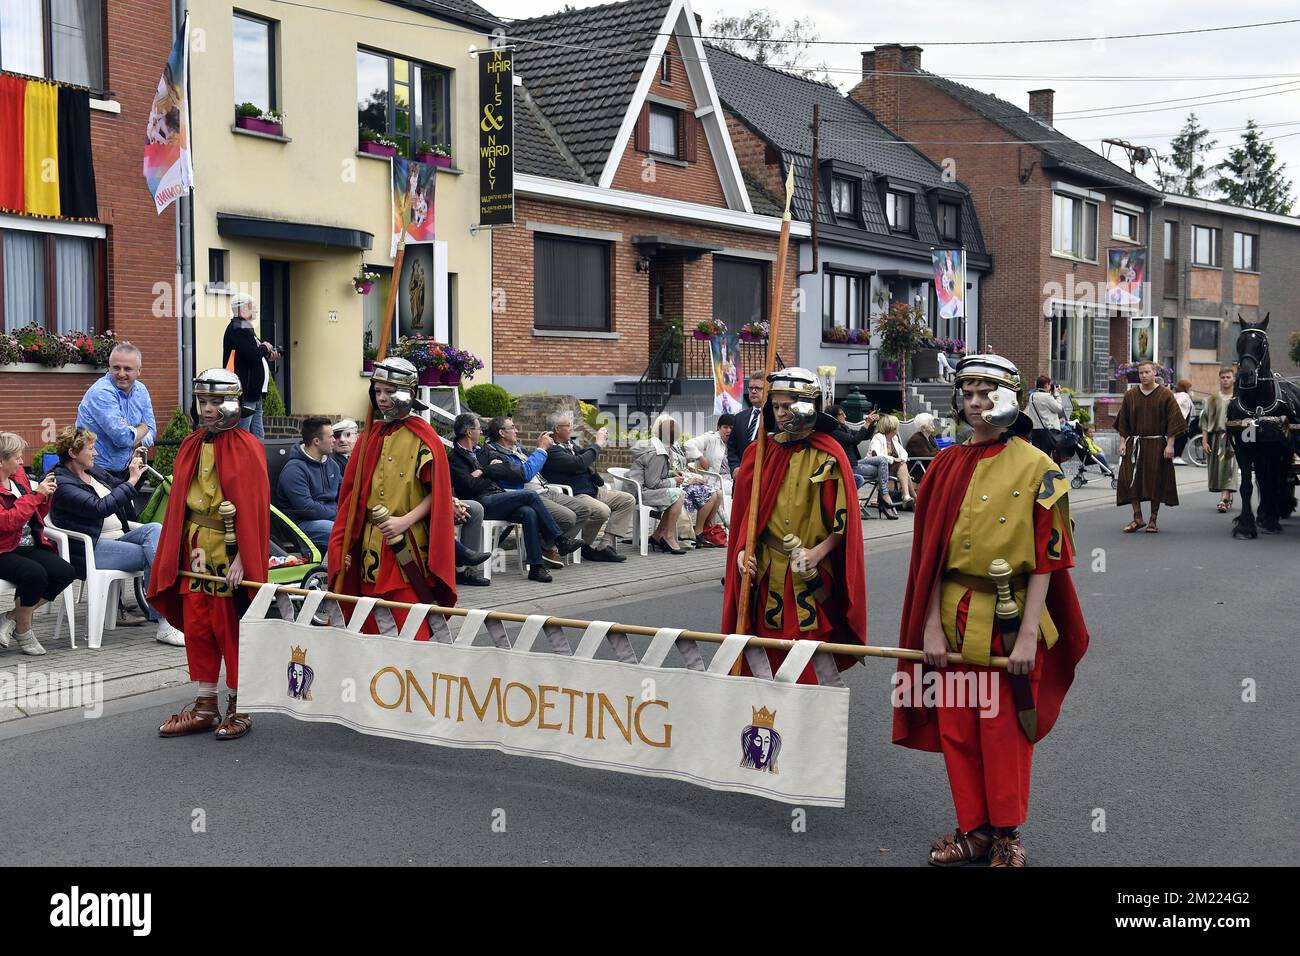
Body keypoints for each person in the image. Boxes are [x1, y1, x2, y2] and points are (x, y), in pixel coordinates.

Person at [893, 354, 1089, 867]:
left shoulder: (1040, 467)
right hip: (953, 612)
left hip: (1012, 615)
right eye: (969, 393)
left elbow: (1050, 559)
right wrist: (929, 625)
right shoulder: (943, 465)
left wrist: (1028, 636)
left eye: (986, 392)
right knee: (958, 724)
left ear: (1009, 397)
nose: (975, 404)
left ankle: (1006, 832)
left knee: (1002, 726)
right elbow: (928, 559)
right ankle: (972, 829)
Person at [723, 367, 866, 684]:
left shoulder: (828, 454)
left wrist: (818, 553)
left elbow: (843, 524)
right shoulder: (760, 453)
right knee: (764, 653)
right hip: (767, 572)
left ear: (809, 404)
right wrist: (742, 551)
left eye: (788, 405)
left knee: (809, 655)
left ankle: (811, 722)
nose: (781, 413)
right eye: (776, 406)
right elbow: (747, 517)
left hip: (809, 573)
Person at [148, 369, 269, 739]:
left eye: (216, 402)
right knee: (199, 626)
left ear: (233, 402)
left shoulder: (248, 446)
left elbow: (254, 509)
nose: (207, 409)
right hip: (194, 548)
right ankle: (205, 704)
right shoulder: (190, 444)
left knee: (228, 627)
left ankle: (240, 703)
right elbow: (180, 507)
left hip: (227, 549)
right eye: (203, 401)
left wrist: (244, 559)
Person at [329, 358, 457, 634]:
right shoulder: (368, 437)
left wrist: (404, 521)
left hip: (407, 547)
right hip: (369, 548)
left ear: (410, 393)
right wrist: (341, 547)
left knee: (410, 629)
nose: (382, 398)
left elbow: (438, 494)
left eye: (389, 391)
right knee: (371, 629)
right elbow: (351, 501)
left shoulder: (425, 437)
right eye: (377, 392)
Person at [49, 426, 181, 645]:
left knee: (155, 530)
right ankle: (167, 622)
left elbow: (124, 489)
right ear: (73, 453)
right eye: (90, 448)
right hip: (90, 548)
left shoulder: (92, 471)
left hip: (118, 539)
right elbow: (98, 508)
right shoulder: (62, 482)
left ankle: (168, 618)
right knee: (155, 553)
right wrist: (129, 483)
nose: (96, 453)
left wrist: (134, 473)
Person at [447, 412, 580, 583]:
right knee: (530, 495)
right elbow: (470, 486)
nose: (481, 432)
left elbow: (506, 469)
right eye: (478, 429)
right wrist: (491, 472)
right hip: (480, 502)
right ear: (468, 432)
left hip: (497, 496)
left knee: (528, 512)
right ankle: (559, 539)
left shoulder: (482, 451)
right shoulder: (454, 458)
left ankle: (536, 567)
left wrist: (484, 471)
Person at [0, 433, 77, 656]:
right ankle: (24, 630)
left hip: (26, 544)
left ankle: (10, 618)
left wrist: (45, 497)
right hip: (4, 549)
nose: (21, 461)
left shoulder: (18, 477)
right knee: (35, 574)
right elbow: (7, 522)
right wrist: (36, 496)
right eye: (16, 457)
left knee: (65, 572)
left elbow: (33, 515)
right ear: (2, 461)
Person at [478, 416, 591, 563]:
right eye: (512, 427)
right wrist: (541, 449)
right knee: (568, 517)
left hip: (545, 489)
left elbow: (536, 467)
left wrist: (539, 449)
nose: (516, 430)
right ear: (502, 433)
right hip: (529, 496)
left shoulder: (518, 448)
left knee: (584, 510)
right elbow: (525, 473)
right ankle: (547, 545)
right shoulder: (494, 454)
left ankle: (547, 545)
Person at [541, 412, 633, 563]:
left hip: (592, 490)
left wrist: (594, 450)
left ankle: (604, 546)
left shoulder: (569, 445)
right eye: (568, 425)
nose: (571, 429)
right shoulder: (552, 450)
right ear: (557, 429)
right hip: (575, 494)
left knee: (627, 500)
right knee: (602, 511)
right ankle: (583, 545)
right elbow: (578, 463)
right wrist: (597, 444)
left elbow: (584, 458)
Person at [629, 416, 724, 552]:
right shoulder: (658, 453)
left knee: (677, 494)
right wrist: (674, 481)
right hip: (641, 493)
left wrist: (671, 474)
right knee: (679, 494)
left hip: (640, 489)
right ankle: (668, 536)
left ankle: (657, 535)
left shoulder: (655, 444)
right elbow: (653, 484)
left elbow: (653, 475)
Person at [1115, 360, 1184, 534]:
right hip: (1135, 444)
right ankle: (1137, 517)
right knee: (1131, 479)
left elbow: (1174, 422)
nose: (1144, 376)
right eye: (1141, 373)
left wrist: (1170, 445)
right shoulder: (1130, 395)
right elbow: (1123, 421)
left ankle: (1153, 519)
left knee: (1155, 480)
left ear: (1155, 373)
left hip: (1157, 444)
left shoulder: (1165, 395)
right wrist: (1122, 443)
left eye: (1147, 372)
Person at [75, 343, 156, 481]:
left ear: (139, 371)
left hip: (125, 469)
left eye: (128, 369)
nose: (121, 374)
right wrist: (142, 428)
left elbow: (152, 431)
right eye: (116, 368)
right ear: (109, 368)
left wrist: (132, 435)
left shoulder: (141, 390)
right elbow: (122, 437)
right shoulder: (101, 392)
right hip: (94, 470)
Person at [275, 416, 342, 554]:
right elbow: (307, 507)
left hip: (329, 518)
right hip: (300, 524)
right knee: (340, 532)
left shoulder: (332, 465)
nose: (335, 440)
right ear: (316, 441)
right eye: (331, 437)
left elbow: (345, 492)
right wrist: (339, 515)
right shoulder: (294, 470)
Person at [222, 293, 279, 439]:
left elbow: (252, 353)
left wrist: (268, 354)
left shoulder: (245, 328)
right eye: (252, 307)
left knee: (257, 437)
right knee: (244, 436)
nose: (256, 311)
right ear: (242, 309)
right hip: (245, 392)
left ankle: (258, 461)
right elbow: (252, 354)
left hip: (253, 392)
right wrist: (265, 348)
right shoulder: (238, 328)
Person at [1200, 366, 1240, 513]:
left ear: (1234, 379)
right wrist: (1204, 441)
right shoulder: (1212, 399)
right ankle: (1227, 496)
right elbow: (1204, 420)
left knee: (1229, 467)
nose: (1225, 380)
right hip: (1215, 438)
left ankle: (1224, 498)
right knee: (1218, 469)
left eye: (1228, 377)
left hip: (1232, 438)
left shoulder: (1238, 399)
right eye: (1223, 377)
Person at [866, 415, 914, 508]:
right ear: (892, 427)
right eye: (897, 425)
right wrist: (894, 459)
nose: (899, 427)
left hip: (892, 468)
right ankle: (911, 498)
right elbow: (876, 455)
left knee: (903, 465)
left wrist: (901, 459)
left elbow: (903, 452)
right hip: (878, 468)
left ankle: (908, 497)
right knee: (904, 469)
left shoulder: (894, 439)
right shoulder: (878, 437)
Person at [726, 372, 767, 473]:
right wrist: (735, 467)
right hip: (740, 478)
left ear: (767, 390)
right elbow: (732, 447)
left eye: (758, 388)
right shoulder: (739, 417)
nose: (753, 391)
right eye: (751, 388)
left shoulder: (773, 418)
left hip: (761, 477)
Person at [828, 403, 878, 477]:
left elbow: (865, 436)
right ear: (833, 417)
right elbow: (855, 440)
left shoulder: (845, 428)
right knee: (878, 469)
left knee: (881, 460)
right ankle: (883, 488)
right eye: (841, 414)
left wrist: (872, 423)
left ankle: (885, 488)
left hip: (854, 463)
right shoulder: (834, 432)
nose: (845, 416)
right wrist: (867, 423)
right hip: (848, 466)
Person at [684, 413, 735, 482]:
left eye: (731, 428)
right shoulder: (710, 438)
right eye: (725, 427)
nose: (728, 430)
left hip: (732, 480)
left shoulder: (736, 442)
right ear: (719, 427)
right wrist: (700, 457)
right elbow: (689, 444)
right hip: (714, 481)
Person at [453, 496, 491, 586]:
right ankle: (461, 555)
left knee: (475, 509)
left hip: (442, 497)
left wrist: (454, 501)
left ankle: (467, 571)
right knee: (530, 497)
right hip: (424, 501)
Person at [1025, 375, 1064, 459]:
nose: (1050, 386)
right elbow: (1058, 408)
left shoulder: (1032, 396)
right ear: (1046, 385)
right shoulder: (1047, 397)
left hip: (1035, 430)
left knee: (1038, 455)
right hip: (1046, 430)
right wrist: (1057, 395)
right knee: (1046, 456)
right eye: (1049, 384)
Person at [905, 412, 940, 485]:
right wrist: (942, 453)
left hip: (930, 466)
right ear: (923, 428)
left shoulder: (929, 437)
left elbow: (937, 450)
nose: (934, 426)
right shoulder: (917, 440)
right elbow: (926, 457)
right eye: (931, 424)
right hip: (920, 470)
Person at [1172, 379, 1195, 464]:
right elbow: (1177, 403)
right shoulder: (1184, 395)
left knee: (1177, 438)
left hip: (1176, 420)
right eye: (1189, 387)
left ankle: (1176, 456)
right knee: (1182, 438)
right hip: (1182, 420)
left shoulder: (1175, 394)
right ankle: (1177, 456)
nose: (1190, 389)